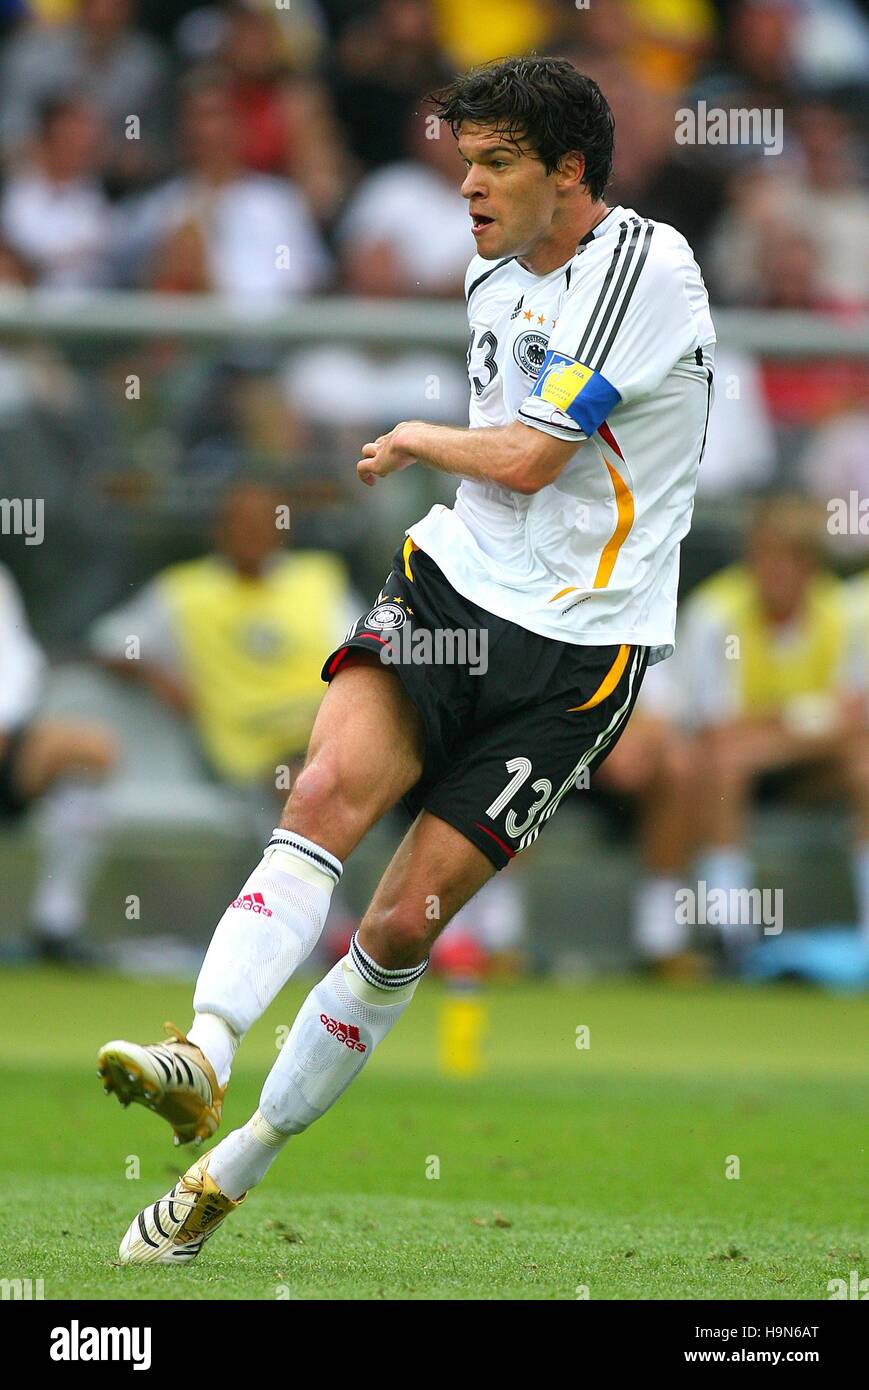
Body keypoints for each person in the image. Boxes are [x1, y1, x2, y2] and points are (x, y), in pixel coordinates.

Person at [100, 55, 715, 1264]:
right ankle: (203, 1047)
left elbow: (536, 456)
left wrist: (417, 436)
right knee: (321, 792)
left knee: (396, 927)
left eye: (494, 163)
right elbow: (509, 473)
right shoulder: (493, 265)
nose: (467, 185)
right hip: (454, 584)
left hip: (579, 653)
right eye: (463, 158)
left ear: (568, 174)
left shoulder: (648, 268)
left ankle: (231, 1169)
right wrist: (444, 464)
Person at [0, 564, 116, 963]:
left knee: (92, 751)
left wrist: (4, 722)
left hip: (5, 742)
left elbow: (18, 664)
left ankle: (56, 925)